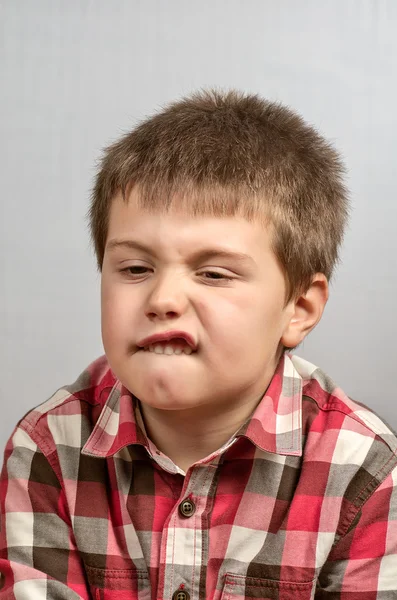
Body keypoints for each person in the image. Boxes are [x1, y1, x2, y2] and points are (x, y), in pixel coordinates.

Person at [0, 89, 396, 600]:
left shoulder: (364, 471)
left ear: (299, 308)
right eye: (135, 268)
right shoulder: (48, 450)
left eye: (212, 274)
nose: (162, 299)